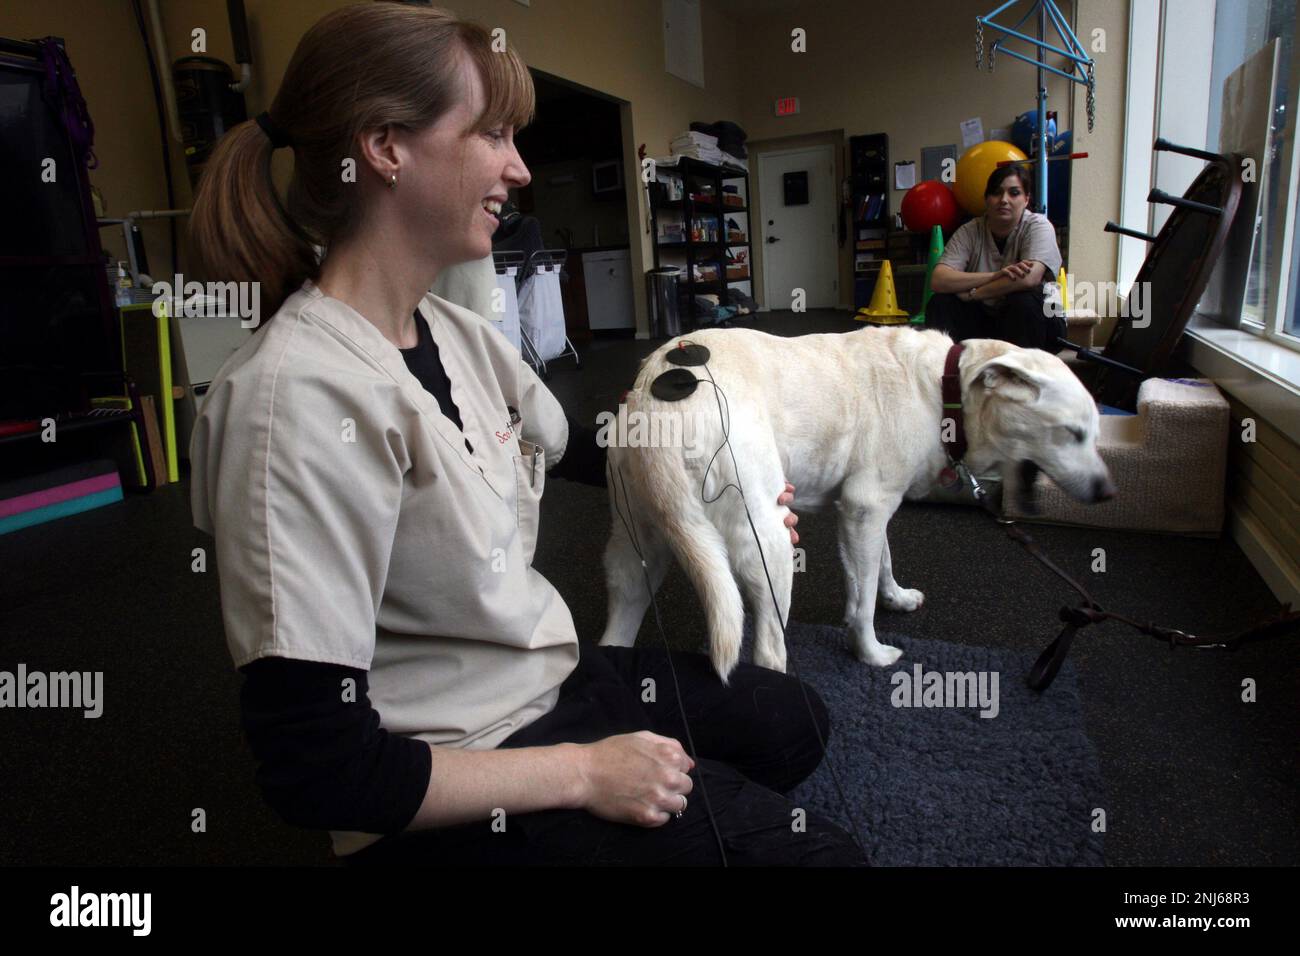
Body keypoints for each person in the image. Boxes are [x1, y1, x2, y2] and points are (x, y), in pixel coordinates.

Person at [187, 3, 864, 866]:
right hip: (448, 767)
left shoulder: (456, 332)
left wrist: (726, 500)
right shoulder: (294, 405)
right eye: (494, 133)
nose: (518, 168)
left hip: (545, 679)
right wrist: (584, 774)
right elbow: (316, 772)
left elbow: (590, 451)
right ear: (386, 146)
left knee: (789, 719)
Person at [926, 165, 1066, 351]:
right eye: (996, 193)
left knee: (1023, 301)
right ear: (987, 200)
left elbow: (1029, 278)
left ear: (1026, 199)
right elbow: (938, 280)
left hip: (1042, 322)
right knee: (940, 303)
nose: (1004, 200)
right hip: (990, 318)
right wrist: (994, 275)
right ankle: (946, 372)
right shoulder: (970, 230)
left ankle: (1020, 375)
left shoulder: (1039, 226)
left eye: (1014, 193)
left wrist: (974, 294)